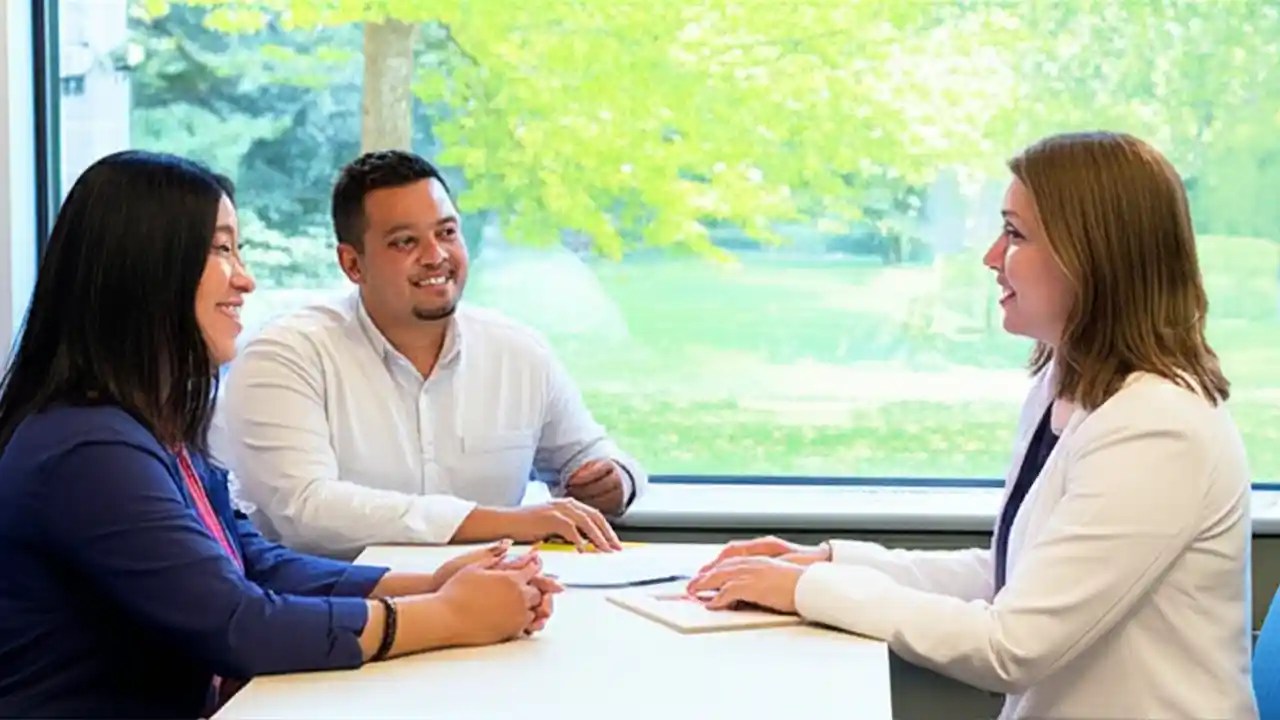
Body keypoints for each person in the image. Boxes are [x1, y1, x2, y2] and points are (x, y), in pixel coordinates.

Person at [689, 132, 1256, 720]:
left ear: (1091, 255)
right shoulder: (1067, 389)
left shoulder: (1159, 428)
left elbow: (1010, 646)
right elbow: (1014, 577)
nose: (991, 256)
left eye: (1015, 234)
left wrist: (810, 592)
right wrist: (831, 565)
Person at [0, 150, 561, 719]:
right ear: (145, 268)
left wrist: (428, 584)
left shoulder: (147, 428)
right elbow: (239, 624)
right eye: (221, 250)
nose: (245, 279)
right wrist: (449, 615)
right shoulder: (87, 450)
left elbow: (256, 563)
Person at [211, 149, 647, 559]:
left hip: (500, 600)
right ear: (352, 264)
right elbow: (307, 510)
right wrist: (510, 523)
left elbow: (590, 455)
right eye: (405, 242)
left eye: (446, 233)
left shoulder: (518, 351)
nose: (436, 256)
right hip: (340, 606)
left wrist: (614, 480)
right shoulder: (285, 356)